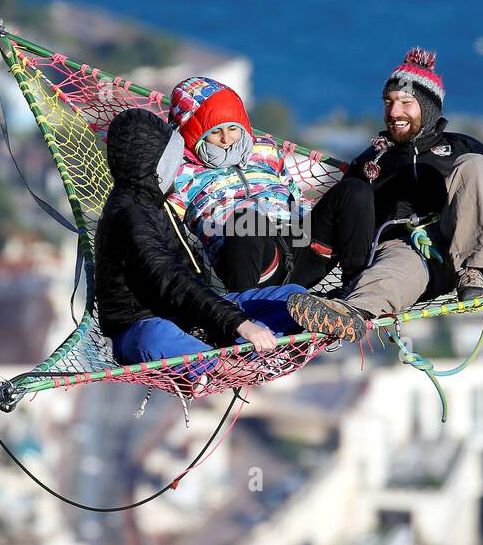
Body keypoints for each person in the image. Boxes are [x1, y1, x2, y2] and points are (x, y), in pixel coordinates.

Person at [289, 48, 483, 341]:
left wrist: (469, 205)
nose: (394, 112)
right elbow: (345, 219)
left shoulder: (463, 147)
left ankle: (473, 274)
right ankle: (349, 313)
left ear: (427, 107)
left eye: (406, 103)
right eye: (388, 102)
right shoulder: (373, 159)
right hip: (403, 252)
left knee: (476, 165)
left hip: (457, 243)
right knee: (391, 274)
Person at [94, 108, 335, 378]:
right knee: (154, 336)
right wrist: (239, 323)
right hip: (141, 327)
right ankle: (229, 366)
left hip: (191, 319)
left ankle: (317, 322)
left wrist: (229, 318)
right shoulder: (131, 217)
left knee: (289, 295)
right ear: (157, 167)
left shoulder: (155, 204)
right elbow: (171, 280)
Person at [167, 76, 373, 292]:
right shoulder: (180, 172)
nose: (227, 139)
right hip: (255, 266)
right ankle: (245, 312)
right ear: (195, 133)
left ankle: (356, 289)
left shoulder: (265, 149)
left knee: (355, 189)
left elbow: (293, 193)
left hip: (302, 245)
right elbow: (170, 230)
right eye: (215, 132)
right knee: (245, 220)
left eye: (232, 128)